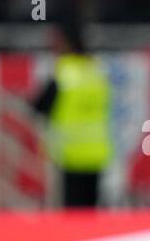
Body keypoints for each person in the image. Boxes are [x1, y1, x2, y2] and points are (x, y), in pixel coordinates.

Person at [32, 21, 113, 208]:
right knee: (90, 212)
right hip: (96, 152)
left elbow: (39, 107)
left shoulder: (64, 73)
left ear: (66, 43)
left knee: (71, 214)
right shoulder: (97, 71)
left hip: (70, 154)